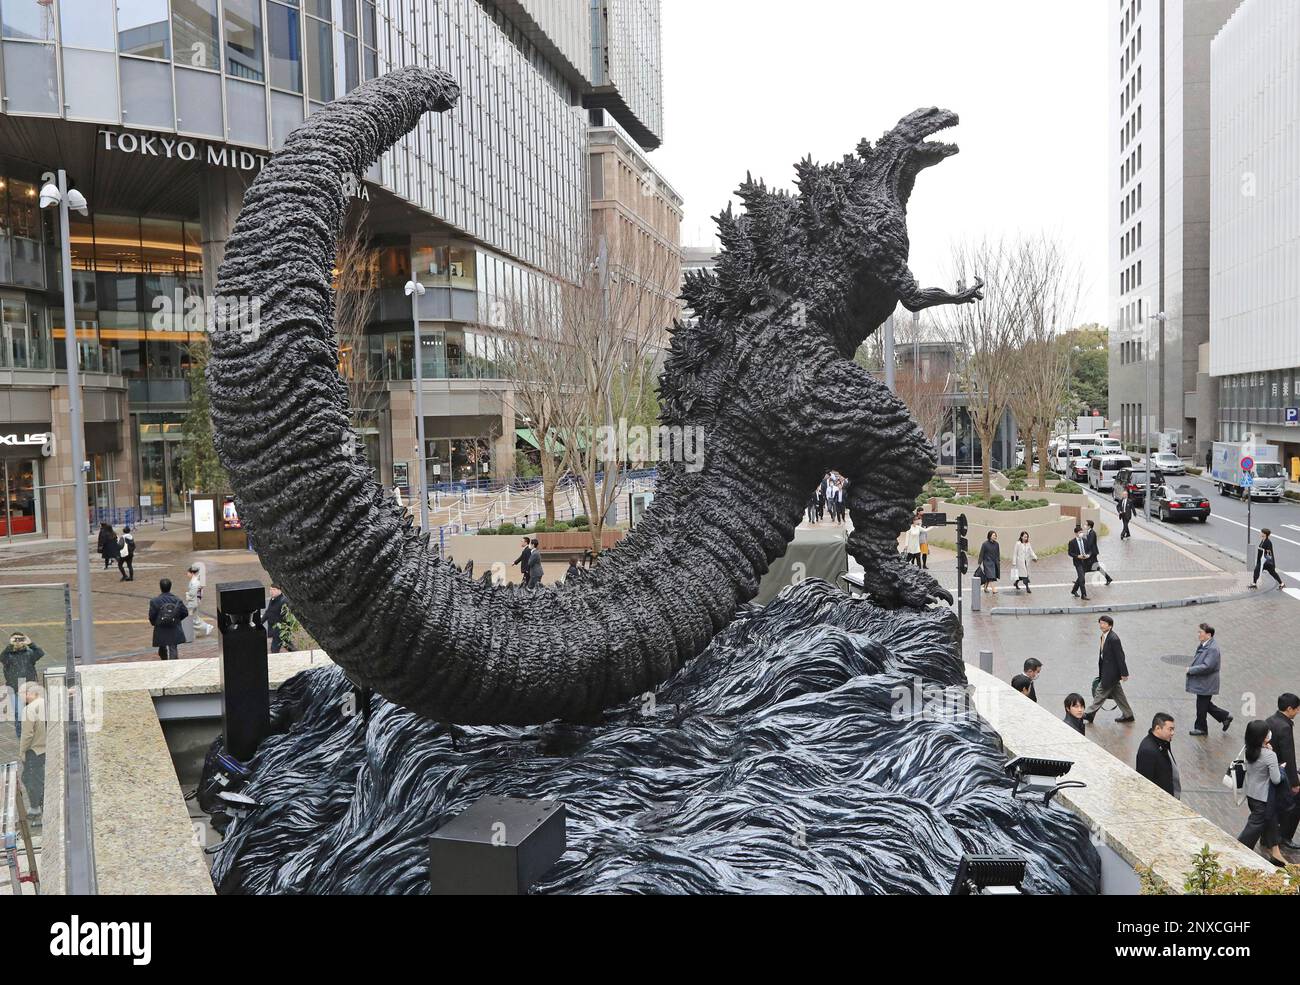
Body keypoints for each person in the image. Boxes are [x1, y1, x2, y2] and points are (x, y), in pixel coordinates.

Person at [1237, 720, 1286, 865]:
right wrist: (1281, 769)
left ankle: (1276, 854)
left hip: (1251, 794)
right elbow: (1276, 779)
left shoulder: (1248, 749)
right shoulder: (1269, 755)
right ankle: (1238, 849)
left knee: (1271, 823)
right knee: (1254, 827)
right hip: (1264, 798)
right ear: (1263, 737)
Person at [1085, 615, 1134, 723]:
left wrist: (1124, 673)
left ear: (1110, 626)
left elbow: (1120, 656)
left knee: (1100, 692)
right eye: (1100, 623)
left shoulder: (1114, 639)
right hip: (1106, 671)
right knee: (1118, 695)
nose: (1101, 625)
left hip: (1111, 672)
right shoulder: (1103, 636)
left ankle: (1089, 714)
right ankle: (1128, 715)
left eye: (1104, 623)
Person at [1185, 623, 1232, 736]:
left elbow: (1208, 666)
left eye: (1200, 632)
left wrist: (1191, 670)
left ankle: (1201, 728)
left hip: (1207, 682)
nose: (1198, 634)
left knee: (1201, 705)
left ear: (1208, 634)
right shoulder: (1205, 644)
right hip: (1204, 682)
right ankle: (1225, 717)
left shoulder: (1212, 649)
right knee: (1205, 704)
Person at [1266, 694, 1300, 849]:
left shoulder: (1270, 720)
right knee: (1294, 803)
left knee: (1273, 806)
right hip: (1282, 773)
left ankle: (1269, 836)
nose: (1298, 712)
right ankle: (1285, 836)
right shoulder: (1285, 727)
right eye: (1297, 709)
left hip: (1269, 771)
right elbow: (1289, 756)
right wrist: (1295, 782)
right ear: (1289, 708)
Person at [1, 632, 44, 740]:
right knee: (19, 714)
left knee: (32, 712)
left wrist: (30, 643)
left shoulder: (29, 654)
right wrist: (10, 646)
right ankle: (22, 737)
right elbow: (1, 658)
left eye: (20, 639)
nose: (18, 642)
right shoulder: (8, 656)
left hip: (29, 689)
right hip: (14, 689)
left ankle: (34, 734)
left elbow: (40, 653)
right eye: (15, 640)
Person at [1136, 713, 1181, 799]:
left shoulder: (1163, 742)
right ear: (1157, 728)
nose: (1173, 733)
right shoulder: (1148, 751)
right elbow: (1145, 783)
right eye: (1170, 729)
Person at [16, 682, 45, 819]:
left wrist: (22, 752)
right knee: (39, 777)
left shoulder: (29, 709)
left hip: (35, 750)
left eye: (22, 693)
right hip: (45, 748)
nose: (20, 696)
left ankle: (35, 808)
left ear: (31, 693)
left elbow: (27, 735)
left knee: (29, 778)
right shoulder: (47, 704)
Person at [148, 578, 189, 661]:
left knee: (162, 646)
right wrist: (177, 619)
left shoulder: (155, 601)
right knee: (173, 647)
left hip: (160, 627)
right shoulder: (177, 600)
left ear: (160, 587)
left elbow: (152, 616)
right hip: (174, 627)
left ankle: (164, 660)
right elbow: (185, 612)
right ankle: (173, 665)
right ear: (170, 587)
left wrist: (155, 623)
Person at [186, 564, 213, 638]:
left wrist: (188, 595)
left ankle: (206, 627)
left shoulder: (195, 582)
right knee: (193, 618)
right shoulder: (195, 581)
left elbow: (192, 594)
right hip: (194, 602)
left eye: (188, 573)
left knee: (191, 618)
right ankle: (205, 627)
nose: (187, 574)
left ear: (192, 573)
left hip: (193, 603)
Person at [1084, 520, 1113, 586]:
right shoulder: (1089, 532)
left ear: (1089, 526)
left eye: (1086, 524)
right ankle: (1108, 578)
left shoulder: (1092, 533)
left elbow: (1090, 543)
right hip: (1092, 552)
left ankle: (1080, 580)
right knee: (1093, 567)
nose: (1085, 526)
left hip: (1092, 553)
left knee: (1085, 567)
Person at [1068, 525, 1092, 600]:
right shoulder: (1072, 542)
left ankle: (1074, 590)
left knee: (1080, 578)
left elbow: (1090, 550)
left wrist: (1088, 555)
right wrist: (1077, 556)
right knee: (1082, 579)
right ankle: (1083, 595)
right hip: (1078, 562)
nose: (1081, 533)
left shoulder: (1085, 540)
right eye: (1079, 532)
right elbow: (1070, 553)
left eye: (1082, 532)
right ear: (1076, 533)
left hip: (1086, 562)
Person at [265, 585, 287, 653]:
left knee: (274, 649)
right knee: (288, 645)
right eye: (270, 589)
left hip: (280, 630)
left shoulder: (283, 601)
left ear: (279, 590)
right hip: (275, 629)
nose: (271, 592)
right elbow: (268, 612)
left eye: (274, 589)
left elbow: (286, 617)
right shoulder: (273, 599)